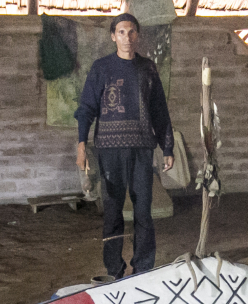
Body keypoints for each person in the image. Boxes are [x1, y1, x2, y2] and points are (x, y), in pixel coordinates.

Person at [74, 14, 175, 279]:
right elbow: (86, 109)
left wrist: (167, 147)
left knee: (143, 210)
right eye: (121, 32)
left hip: (141, 150)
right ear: (113, 36)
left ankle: (143, 267)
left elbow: (160, 111)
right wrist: (82, 145)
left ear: (137, 35)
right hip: (109, 150)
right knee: (112, 211)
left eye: (131, 32)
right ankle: (114, 270)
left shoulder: (148, 68)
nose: (126, 38)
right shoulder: (101, 68)